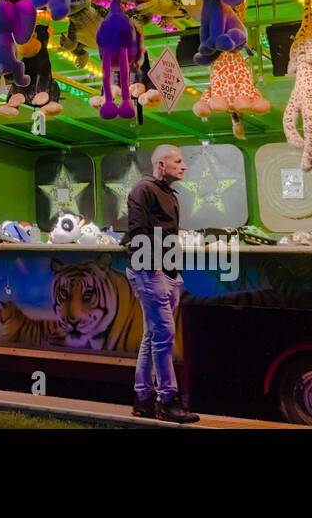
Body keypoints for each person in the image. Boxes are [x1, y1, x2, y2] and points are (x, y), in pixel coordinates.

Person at [124, 144, 199, 423]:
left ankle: (143, 399)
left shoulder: (170, 193)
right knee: (164, 336)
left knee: (153, 336)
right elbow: (137, 230)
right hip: (149, 272)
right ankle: (167, 401)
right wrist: (153, 264)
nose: (184, 166)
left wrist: (172, 270)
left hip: (168, 272)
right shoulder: (142, 190)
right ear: (161, 165)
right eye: (178, 161)